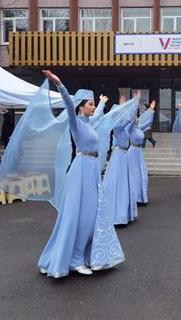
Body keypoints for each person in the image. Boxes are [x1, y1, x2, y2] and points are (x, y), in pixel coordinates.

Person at [37, 70, 125, 277]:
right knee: (80, 216)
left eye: (94, 104)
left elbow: (99, 116)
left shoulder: (90, 123)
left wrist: (104, 104)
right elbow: (69, 105)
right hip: (80, 170)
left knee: (92, 215)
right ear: (80, 107)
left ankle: (84, 255)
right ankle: (75, 260)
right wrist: (60, 84)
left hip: (92, 170)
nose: (93, 107)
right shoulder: (76, 123)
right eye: (90, 104)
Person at [103, 93, 141, 225]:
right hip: (118, 156)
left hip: (124, 156)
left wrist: (133, 105)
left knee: (125, 183)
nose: (122, 115)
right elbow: (128, 120)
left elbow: (131, 120)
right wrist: (130, 104)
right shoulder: (117, 127)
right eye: (120, 113)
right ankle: (116, 213)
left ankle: (124, 212)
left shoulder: (125, 128)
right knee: (117, 183)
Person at [128, 101, 156, 205]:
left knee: (142, 173)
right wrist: (134, 106)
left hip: (139, 152)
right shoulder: (130, 129)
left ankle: (140, 196)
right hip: (132, 152)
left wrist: (152, 110)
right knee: (134, 174)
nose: (138, 119)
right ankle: (133, 196)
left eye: (137, 117)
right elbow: (130, 122)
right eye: (136, 117)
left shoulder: (139, 128)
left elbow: (149, 122)